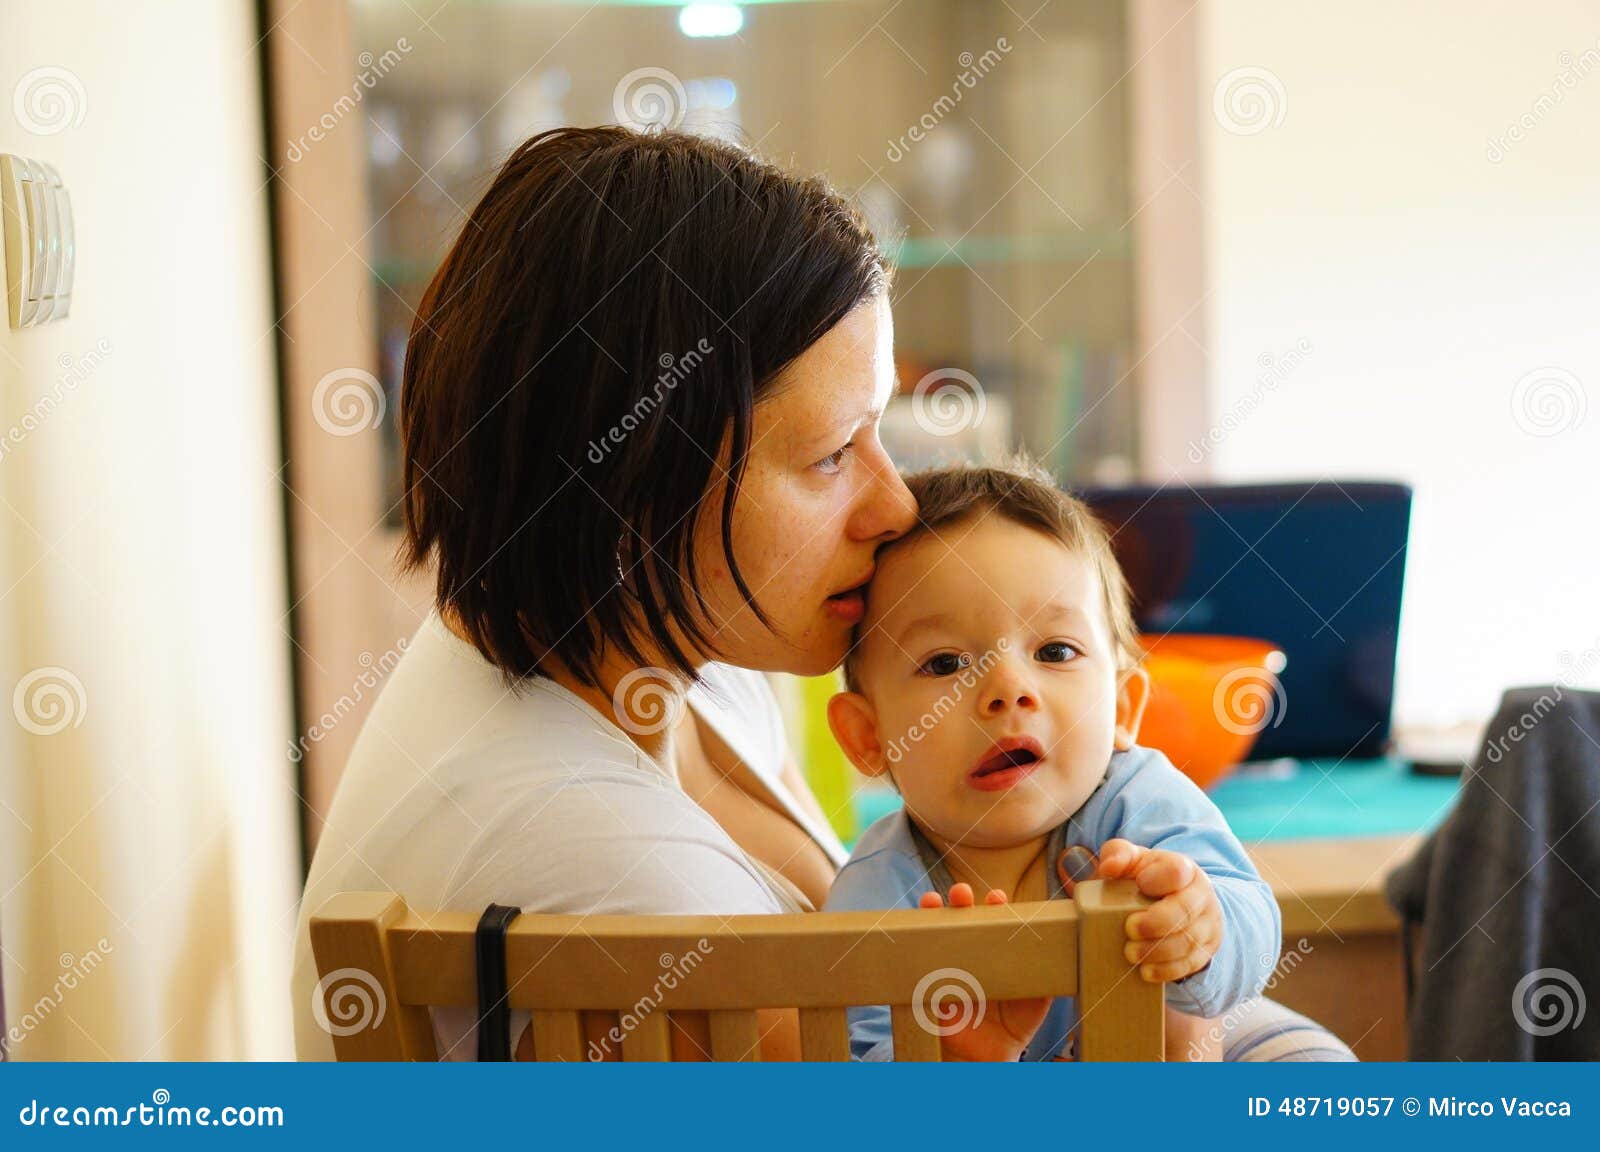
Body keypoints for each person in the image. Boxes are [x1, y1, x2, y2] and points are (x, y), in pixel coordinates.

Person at [824, 461, 1281, 1060]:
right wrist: (958, 1060)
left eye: (1055, 650)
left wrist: (1203, 928)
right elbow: (856, 1066)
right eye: (945, 663)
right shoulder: (878, 889)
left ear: (1121, 707)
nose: (1009, 688)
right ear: (868, 735)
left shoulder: (1137, 800)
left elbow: (1252, 916)